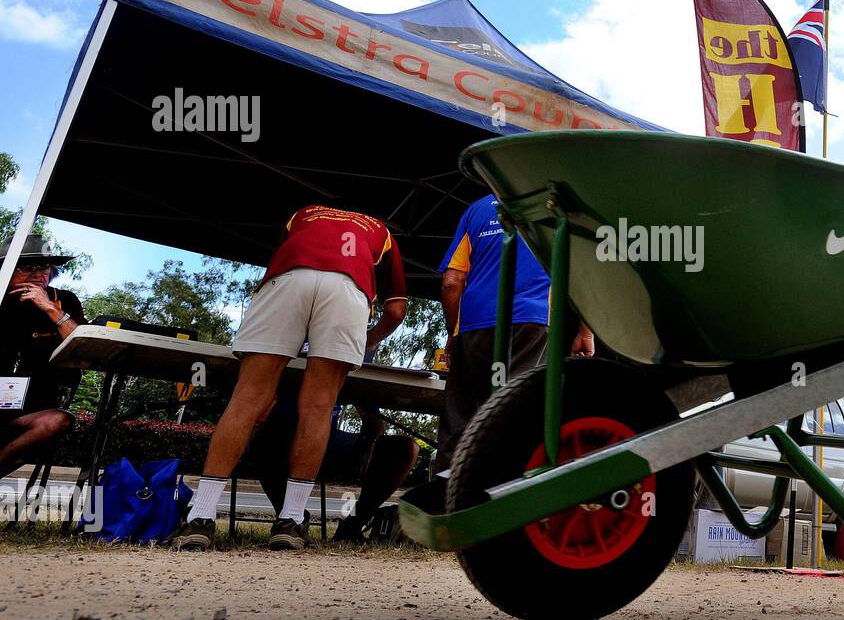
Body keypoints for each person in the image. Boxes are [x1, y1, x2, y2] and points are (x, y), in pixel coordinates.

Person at [173, 205, 408, 551]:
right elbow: (396, 309)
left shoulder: (303, 214)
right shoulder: (381, 231)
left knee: (247, 398)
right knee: (319, 405)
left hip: (287, 279)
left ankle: (200, 517)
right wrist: (372, 338)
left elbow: (282, 260)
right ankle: (290, 520)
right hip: (348, 288)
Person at [427, 193, 592, 497]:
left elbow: (452, 281)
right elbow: (582, 273)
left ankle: (444, 503)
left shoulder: (476, 209)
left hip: (474, 324)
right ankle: (504, 501)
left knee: (460, 418)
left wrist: (454, 331)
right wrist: (585, 330)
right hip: (530, 321)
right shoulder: (556, 205)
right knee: (516, 413)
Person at [248, 379, 419, 543]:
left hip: (329, 439)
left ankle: (352, 525)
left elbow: (373, 419)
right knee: (266, 437)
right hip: (281, 436)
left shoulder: (347, 362)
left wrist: (369, 441)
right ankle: (290, 517)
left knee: (405, 448)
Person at [0, 234, 84, 480]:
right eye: (27, 267)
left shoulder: (63, 300)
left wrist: (50, 309)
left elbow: (83, 348)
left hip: (33, 408)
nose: (37, 274)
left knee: (59, 421)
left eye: (44, 267)